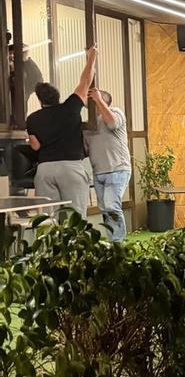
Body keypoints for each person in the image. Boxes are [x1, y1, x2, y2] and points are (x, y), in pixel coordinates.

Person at [26, 45, 96, 214]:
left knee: (46, 218)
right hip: (70, 167)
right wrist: (92, 57)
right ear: (57, 96)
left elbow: (35, 147)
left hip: (45, 169)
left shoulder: (32, 118)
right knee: (76, 216)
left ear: (41, 101)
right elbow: (86, 81)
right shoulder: (70, 107)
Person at [85, 88, 132, 240]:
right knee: (105, 209)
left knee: (112, 206)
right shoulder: (89, 124)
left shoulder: (115, 112)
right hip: (98, 172)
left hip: (117, 169)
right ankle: (113, 243)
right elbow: (85, 148)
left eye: (93, 99)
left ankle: (118, 245)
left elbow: (112, 124)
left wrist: (98, 100)